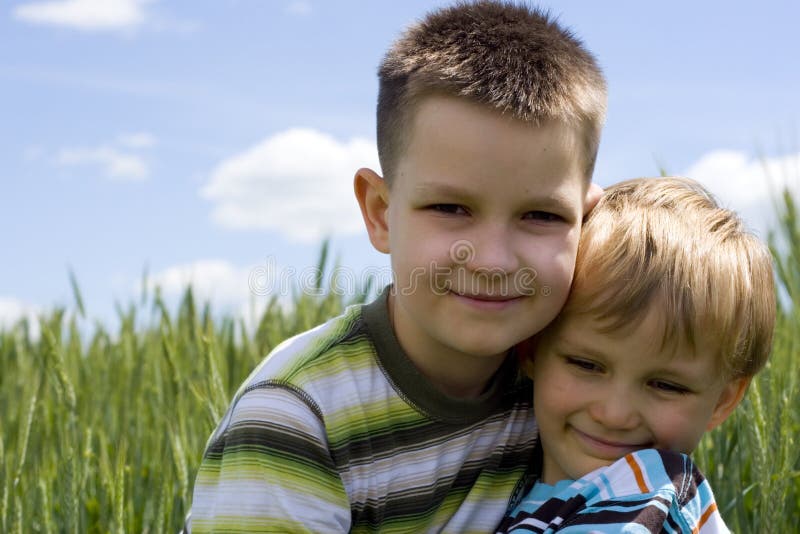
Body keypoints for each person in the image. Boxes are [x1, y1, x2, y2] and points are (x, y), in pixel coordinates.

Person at [186, 1, 607, 532]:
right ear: (380, 213)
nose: (494, 260)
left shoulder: (577, 382)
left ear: (587, 218)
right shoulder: (296, 419)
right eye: (451, 209)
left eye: (542, 215)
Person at [498, 177, 776, 533]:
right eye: (586, 364)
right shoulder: (508, 487)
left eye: (665, 385)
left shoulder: (651, 499)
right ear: (531, 348)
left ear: (723, 400)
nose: (615, 414)